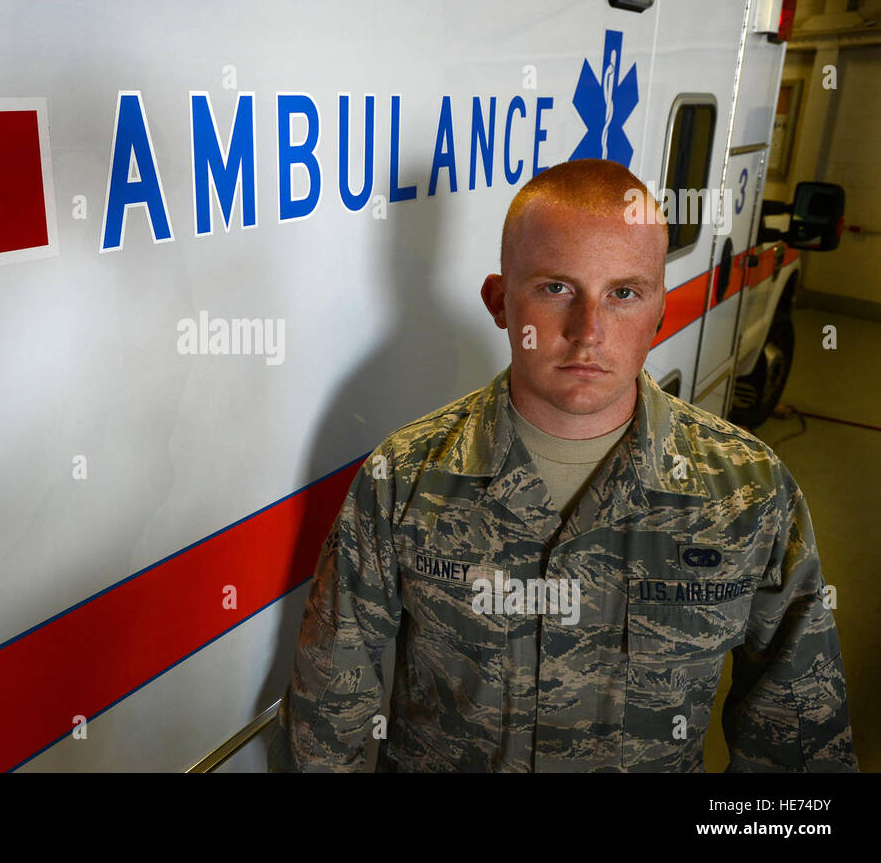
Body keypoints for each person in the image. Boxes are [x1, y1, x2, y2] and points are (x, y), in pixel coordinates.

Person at [268, 158, 858, 772]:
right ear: (499, 302)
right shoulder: (403, 480)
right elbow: (327, 720)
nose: (589, 332)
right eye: (556, 289)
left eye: (623, 294)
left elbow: (798, 743)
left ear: (659, 309)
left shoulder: (751, 494)